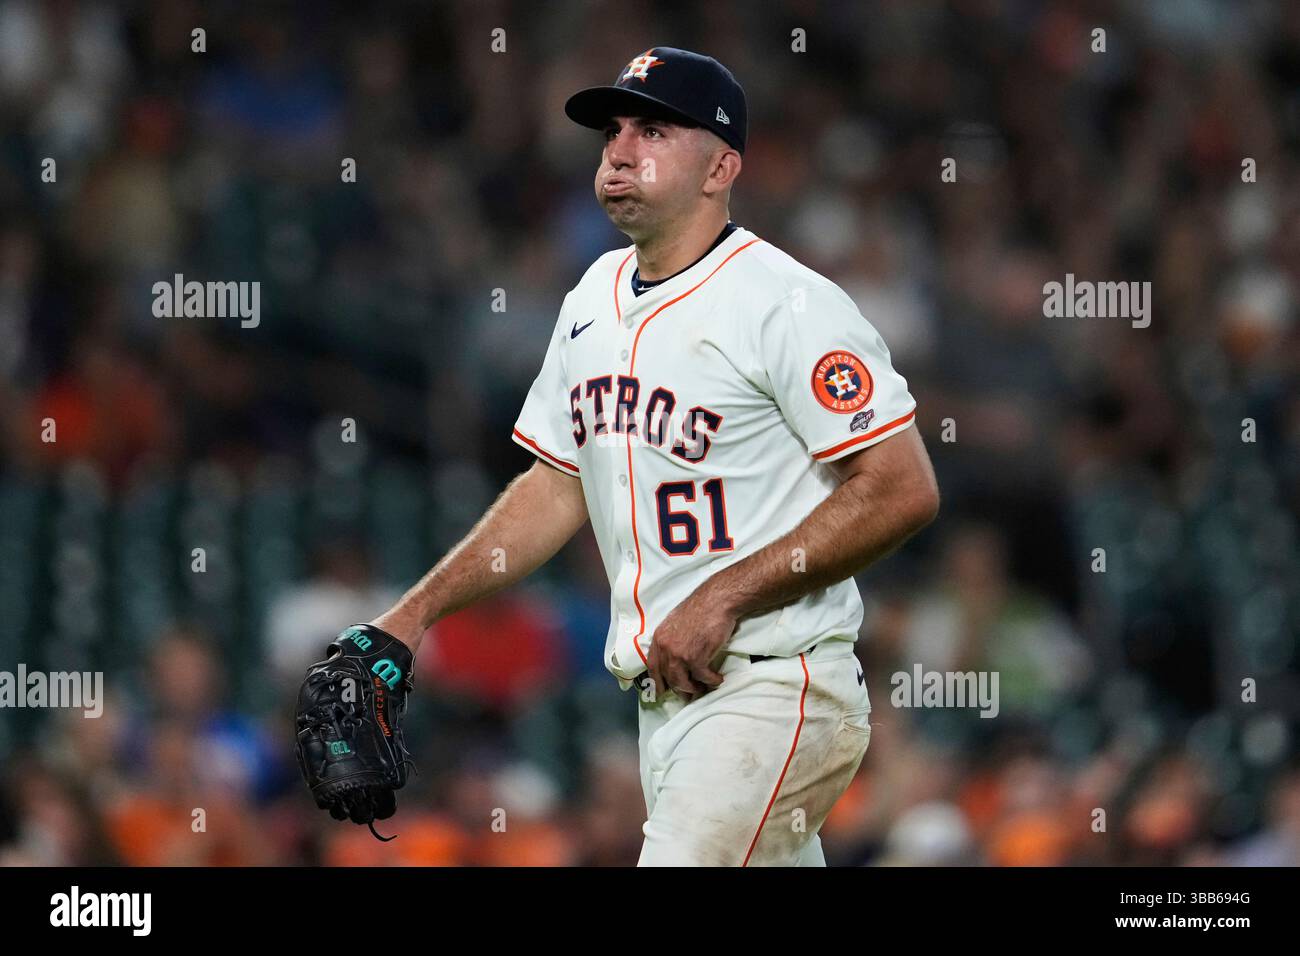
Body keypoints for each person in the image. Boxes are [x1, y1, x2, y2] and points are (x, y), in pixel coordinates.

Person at [369, 46, 940, 865]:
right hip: (668, 710)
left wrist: (725, 596)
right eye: (613, 131)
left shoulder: (787, 301)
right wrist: (414, 613)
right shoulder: (591, 297)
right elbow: (554, 486)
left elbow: (902, 487)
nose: (621, 150)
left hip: (776, 684)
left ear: (722, 167)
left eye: (655, 130)